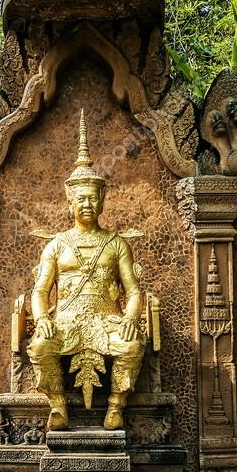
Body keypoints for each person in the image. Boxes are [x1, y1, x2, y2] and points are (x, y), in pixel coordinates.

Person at [26, 110, 145, 432]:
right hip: (65, 320)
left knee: (132, 345)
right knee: (39, 346)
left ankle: (116, 407)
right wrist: (42, 319)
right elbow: (39, 291)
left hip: (107, 321)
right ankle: (58, 406)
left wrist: (131, 319)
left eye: (93, 198)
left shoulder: (117, 244)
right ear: (69, 202)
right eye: (81, 199)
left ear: (103, 201)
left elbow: (134, 291)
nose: (87, 205)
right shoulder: (56, 245)